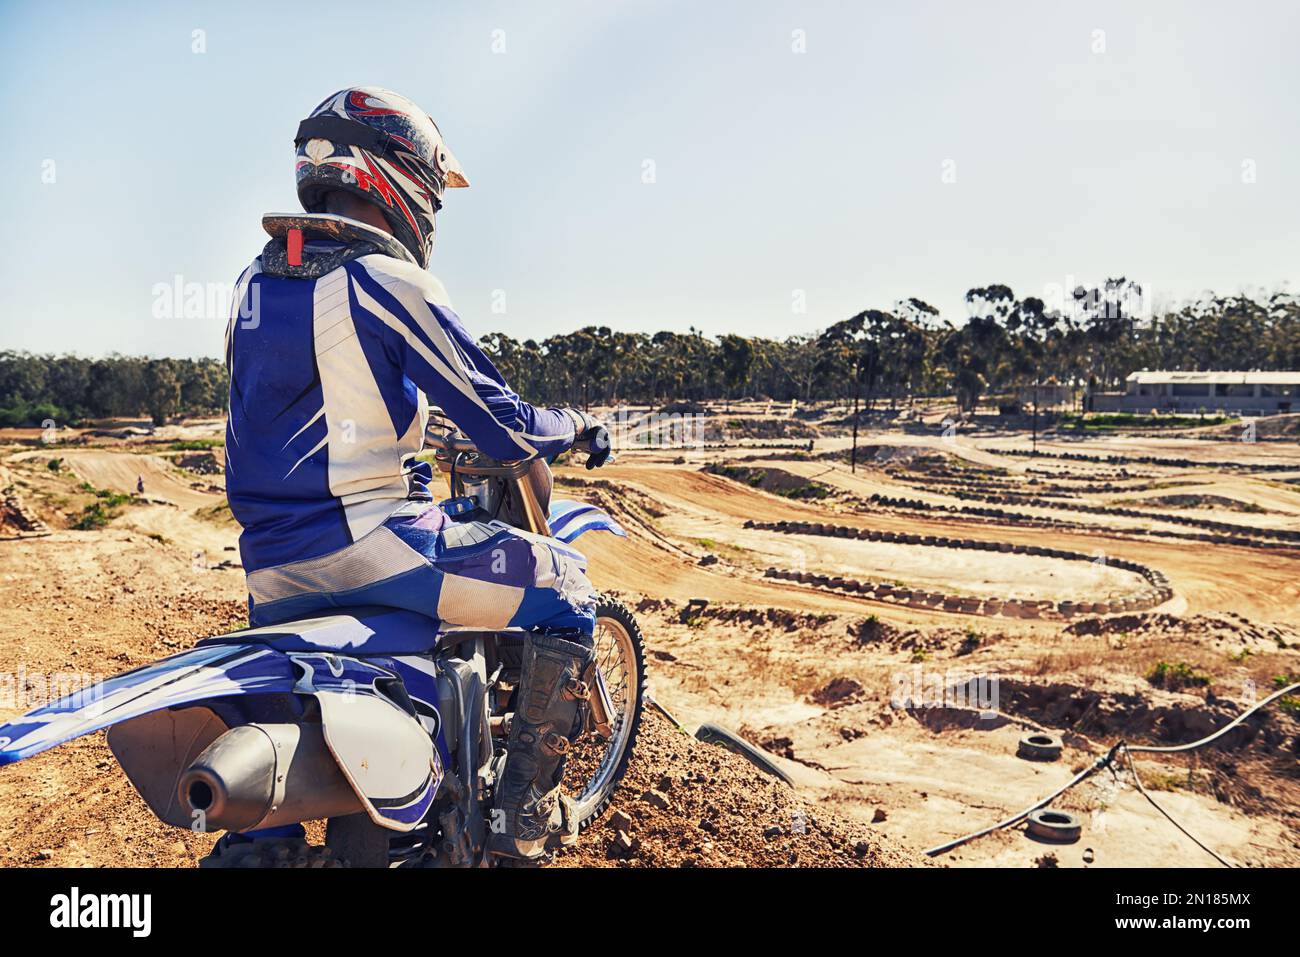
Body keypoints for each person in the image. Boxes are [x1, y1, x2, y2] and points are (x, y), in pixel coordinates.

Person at [219, 87, 611, 863]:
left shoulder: (249, 285)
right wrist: (571, 426)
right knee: (568, 588)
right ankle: (520, 815)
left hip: (269, 571)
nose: (431, 212)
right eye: (431, 192)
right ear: (398, 177)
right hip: (379, 549)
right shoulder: (385, 281)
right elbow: (499, 421)